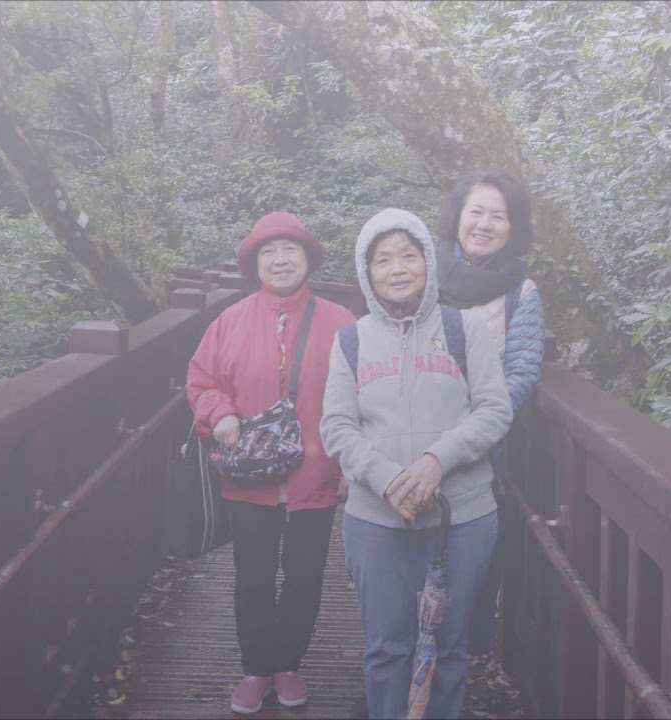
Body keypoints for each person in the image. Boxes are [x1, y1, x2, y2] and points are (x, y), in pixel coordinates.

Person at [321, 208, 513, 720]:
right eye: (383, 259)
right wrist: (388, 480)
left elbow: (495, 409)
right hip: (377, 521)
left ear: (428, 260)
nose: (397, 269)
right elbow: (336, 426)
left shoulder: (465, 329)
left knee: (449, 647)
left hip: (462, 517)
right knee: (387, 648)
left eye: (409, 255)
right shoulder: (351, 340)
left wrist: (436, 460)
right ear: (367, 272)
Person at [186, 211, 356, 715]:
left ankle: (289, 663)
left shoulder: (341, 322)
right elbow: (201, 381)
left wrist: (350, 465)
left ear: (308, 259)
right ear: (254, 264)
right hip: (249, 476)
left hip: (317, 474)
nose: (280, 260)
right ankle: (257, 667)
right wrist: (219, 413)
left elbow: (363, 396)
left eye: (290, 250)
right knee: (253, 575)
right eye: (268, 252)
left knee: (305, 575)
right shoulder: (229, 321)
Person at [434, 168, 547, 658]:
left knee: (465, 568)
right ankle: (401, 673)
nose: (484, 224)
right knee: (406, 562)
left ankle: (454, 666)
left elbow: (521, 373)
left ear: (513, 227)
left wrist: (473, 429)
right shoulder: (420, 270)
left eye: (498, 216)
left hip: (481, 454)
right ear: (457, 215)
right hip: (409, 440)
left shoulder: (521, 293)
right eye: (475, 211)